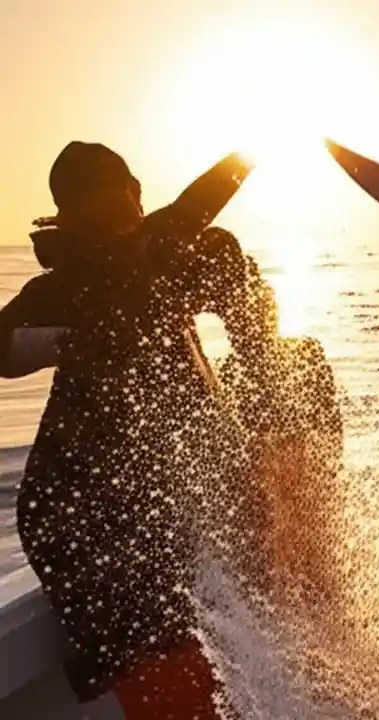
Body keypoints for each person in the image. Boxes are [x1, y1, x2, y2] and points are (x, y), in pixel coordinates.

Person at [0, 141, 285, 718]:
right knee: (124, 571)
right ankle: (158, 669)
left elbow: (203, 200)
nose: (122, 210)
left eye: (125, 194)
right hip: (98, 494)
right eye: (100, 206)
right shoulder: (61, 289)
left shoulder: (176, 244)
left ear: (136, 192)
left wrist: (251, 150)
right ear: (71, 217)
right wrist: (69, 341)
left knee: (292, 362)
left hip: (200, 464)